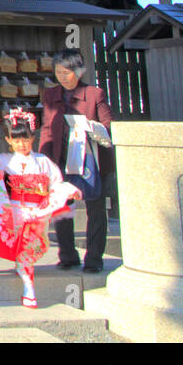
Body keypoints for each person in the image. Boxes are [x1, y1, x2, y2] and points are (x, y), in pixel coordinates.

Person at [0, 108, 82, 307]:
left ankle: (24, 270)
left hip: (37, 210)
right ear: (9, 140)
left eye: (26, 140)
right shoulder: (4, 160)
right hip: (16, 209)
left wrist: (68, 190)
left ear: (33, 138)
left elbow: (56, 182)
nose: (22, 144)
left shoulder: (42, 161)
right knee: (24, 246)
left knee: (29, 244)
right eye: (17, 140)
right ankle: (28, 286)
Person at [39, 48, 115, 272]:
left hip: (92, 161)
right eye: (58, 72)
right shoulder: (51, 95)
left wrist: (90, 128)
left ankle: (94, 259)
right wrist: (44, 161)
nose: (62, 77)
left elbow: (109, 125)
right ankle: (68, 255)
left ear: (79, 72)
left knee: (96, 210)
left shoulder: (95, 94)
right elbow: (46, 128)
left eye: (67, 73)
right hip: (61, 160)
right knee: (62, 208)